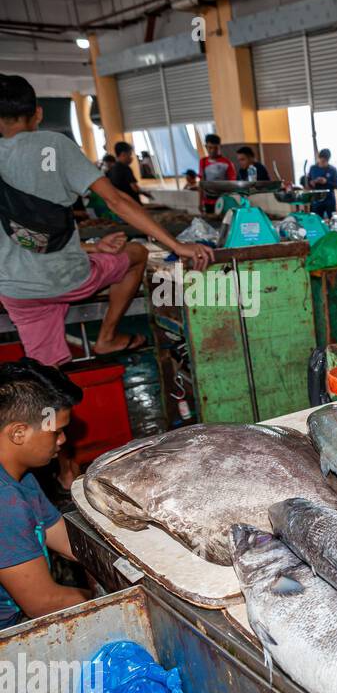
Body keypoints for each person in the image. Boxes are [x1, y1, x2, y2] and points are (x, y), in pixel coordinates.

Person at [0, 74, 212, 365]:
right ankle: (107, 337)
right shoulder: (54, 145)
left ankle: (51, 407)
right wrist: (177, 245)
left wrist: (92, 247)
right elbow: (117, 201)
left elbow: (19, 232)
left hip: (16, 291)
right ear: (38, 112)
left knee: (48, 375)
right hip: (67, 278)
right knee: (136, 253)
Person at [0, 360, 93, 626]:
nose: (63, 440)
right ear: (19, 432)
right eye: (57, 431)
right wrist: (119, 595)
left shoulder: (23, 477)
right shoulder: (5, 505)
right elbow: (45, 603)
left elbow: (68, 543)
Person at [198, 133, 237, 213]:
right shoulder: (203, 162)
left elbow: (232, 184)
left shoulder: (227, 163)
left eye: (215, 148)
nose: (212, 150)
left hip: (223, 201)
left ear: (220, 147)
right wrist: (200, 202)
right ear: (206, 147)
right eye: (210, 148)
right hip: (208, 201)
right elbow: (201, 183)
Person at [304, 148, 337, 218]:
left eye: (325, 161)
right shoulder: (313, 168)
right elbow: (308, 182)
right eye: (321, 160)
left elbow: (336, 185)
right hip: (316, 199)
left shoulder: (333, 170)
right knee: (316, 219)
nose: (322, 163)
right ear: (318, 158)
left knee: (332, 219)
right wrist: (312, 183)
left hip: (329, 199)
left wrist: (326, 182)